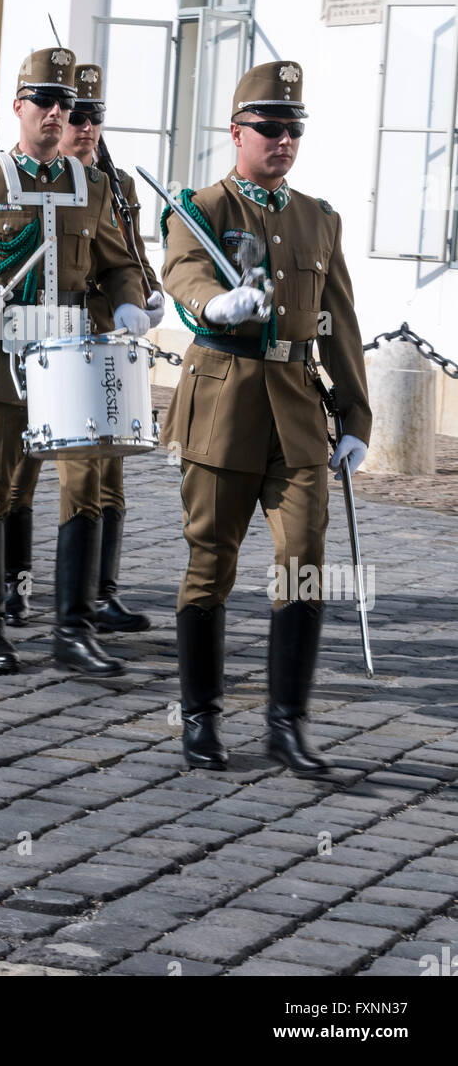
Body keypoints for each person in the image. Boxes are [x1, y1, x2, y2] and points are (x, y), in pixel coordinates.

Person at [161, 60, 371, 775]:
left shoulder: (318, 217)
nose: (283, 141)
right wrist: (212, 305)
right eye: (269, 128)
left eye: (293, 129)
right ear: (236, 131)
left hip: (298, 412)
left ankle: (287, 724)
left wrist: (356, 416)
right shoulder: (202, 206)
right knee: (209, 563)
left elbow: (338, 321)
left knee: (303, 565)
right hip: (222, 403)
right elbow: (183, 271)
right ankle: (200, 719)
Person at [0, 46, 148, 677]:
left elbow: (118, 263)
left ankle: (74, 628)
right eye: (43, 102)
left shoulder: (93, 185)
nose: (55, 114)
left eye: (64, 104)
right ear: (17, 107)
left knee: (85, 492)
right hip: (1, 351)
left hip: (72, 352)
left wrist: (127, 302)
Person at [3, 63, 165, 633]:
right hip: (41, 329)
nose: (86, 126)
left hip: (102, 338)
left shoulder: (113, 185)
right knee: (20, 467)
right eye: (78, 116)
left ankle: (100, 593)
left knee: (103, 468)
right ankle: (12, 586)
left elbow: (131, 254)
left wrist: (148, 293)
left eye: (95, 117)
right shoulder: (17, 178)